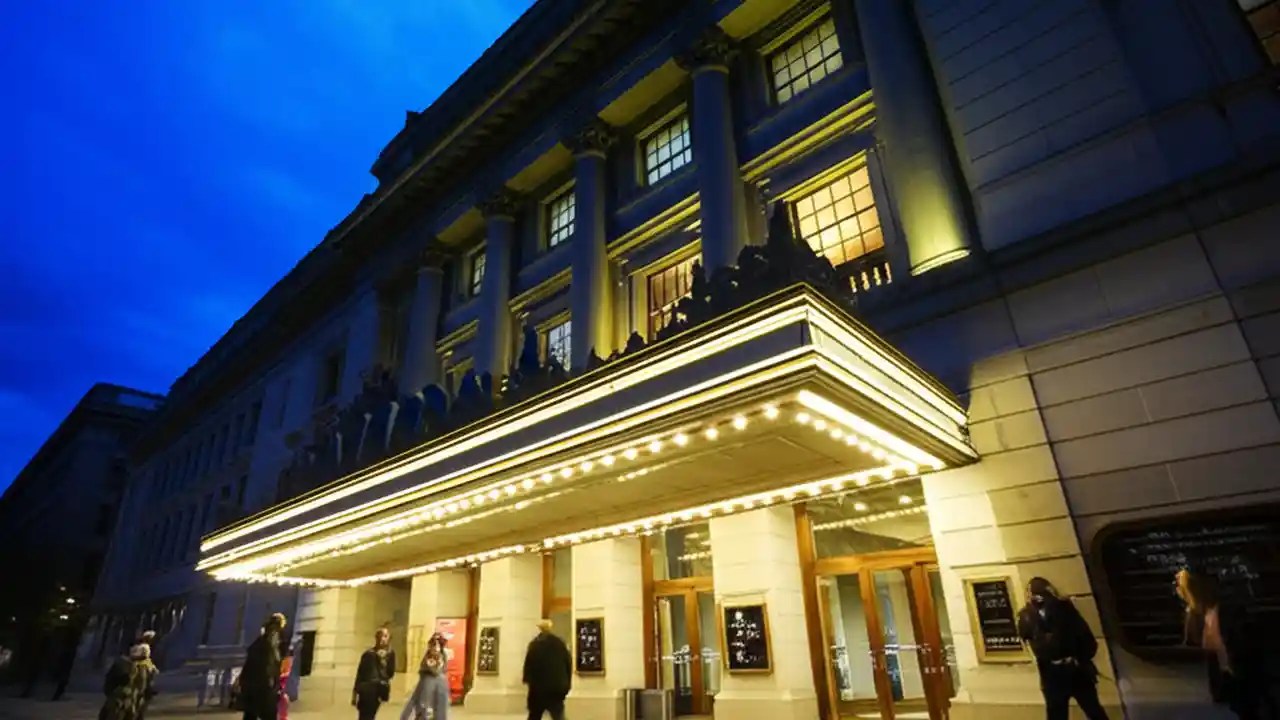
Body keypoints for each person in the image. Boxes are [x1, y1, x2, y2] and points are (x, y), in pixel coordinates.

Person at [1176, 569, 1278, 719]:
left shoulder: (1227, 613)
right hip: (1230, 685)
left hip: (1243, 683)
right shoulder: (1197, 617)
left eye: (1185, 589)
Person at [1017, 577, 1110, 720]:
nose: (1036, 598)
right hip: (1052, 674)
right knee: (1057, 714)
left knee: (1093, 710)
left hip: (1075, 669)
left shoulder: (1064, 610)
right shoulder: (1027, 616)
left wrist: (1080, 658)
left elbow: (1087, 639)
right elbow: (1032, 643)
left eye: (1040, 593)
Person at [240, 613, 287, 720]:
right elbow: (270, 663)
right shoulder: (269, 644)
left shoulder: (260, 642)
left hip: (253, 685)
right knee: (267, 713)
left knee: (251, 713)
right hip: (263, 686)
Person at [522, 619, 571, 720]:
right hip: (556, 687)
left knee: (535, 715)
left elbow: (529, 665)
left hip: (538, 688)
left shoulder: (535, 645)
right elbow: (568, 663)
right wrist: (566, 683)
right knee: (558, 714)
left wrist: (527, 680)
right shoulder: (559, 643)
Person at [400, 632, 451, 720]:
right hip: (425, 711)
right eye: (433, 645)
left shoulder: (442, 677)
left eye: (438, 645)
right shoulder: (426, 676)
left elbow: (443, 704)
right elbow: (415, 698)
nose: (435, 648)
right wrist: (404, 717)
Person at [99, 643, 155, 720]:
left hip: (131, 702)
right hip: (121, 702)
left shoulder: (144, 667)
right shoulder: (123, 665)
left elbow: (145, 686)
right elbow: (109, 684)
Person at [353, 626, 397, 720]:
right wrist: (355, 693)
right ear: (376, 638)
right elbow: (360, 674)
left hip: (378, 690)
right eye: (381, 636)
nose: (383, 639)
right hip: (366, 690)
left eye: (386, 636)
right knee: (365, 716)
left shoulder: (390, 654)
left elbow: (390, 673)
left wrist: (383, 661)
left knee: (370, 715)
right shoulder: (368, 654)